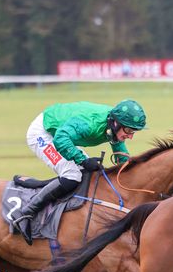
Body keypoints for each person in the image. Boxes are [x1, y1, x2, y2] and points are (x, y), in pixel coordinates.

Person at [11, 98, 147, 244]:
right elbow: (61, 138)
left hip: (64, 132)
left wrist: (129, 173)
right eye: (129, 130)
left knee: (88, 174)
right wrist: (83, 160)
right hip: (45, 133)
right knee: (72, 175)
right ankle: (25, 213)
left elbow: (120, 153)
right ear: (115, 123)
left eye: (134, 131)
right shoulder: (90, 124)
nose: (131, 136)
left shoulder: (113, 125)